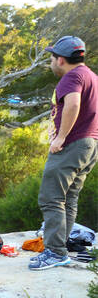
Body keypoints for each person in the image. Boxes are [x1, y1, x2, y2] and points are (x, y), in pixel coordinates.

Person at [33, 36, 97, 271]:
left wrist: (60, 138)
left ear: (60, 60)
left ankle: (54, 252)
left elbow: (72, 104)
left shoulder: (72, 77)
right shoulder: (91, 76)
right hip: (89, 145)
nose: (50, 62)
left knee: (51, 198)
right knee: (68, 199)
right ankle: (60, 249)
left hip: (72, 145)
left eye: (51, 57)